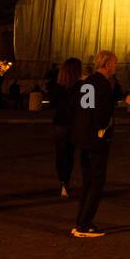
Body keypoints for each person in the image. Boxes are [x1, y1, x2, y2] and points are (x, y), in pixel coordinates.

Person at [70, 51, 123, 238]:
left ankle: (81, 221)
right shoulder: (104, 85)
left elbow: (85, 110)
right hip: (97, 139)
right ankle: (84, 224)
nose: (117, 66)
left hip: (83, 138)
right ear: (107, 64)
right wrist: (103, 131)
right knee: (96, 183)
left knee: (87, 182)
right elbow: (102, 115)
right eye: (115, 63)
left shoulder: (88, 83)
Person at [49, 58, 82, 197]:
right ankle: (67, 181)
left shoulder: (57, 87)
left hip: (60, 123)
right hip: (75, 123)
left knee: (61, 155)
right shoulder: (82, 86)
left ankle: (63, 182)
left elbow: (53, 104)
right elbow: (87, 106)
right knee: (71, 154)